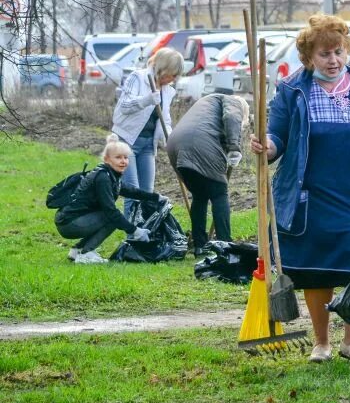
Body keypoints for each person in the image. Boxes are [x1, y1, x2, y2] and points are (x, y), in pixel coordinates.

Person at [250, 14, 350, 364]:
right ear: (308, 58)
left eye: (338, 52)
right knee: (317, 271)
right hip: (312, 194)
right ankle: (321, 343)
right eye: (324, 54)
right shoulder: (293, 90)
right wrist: (267, 146)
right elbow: (277, 135)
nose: (333, 60)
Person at [56, 134, 167, 264]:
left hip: (69, 220)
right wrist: (135, 231)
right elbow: (110, 211)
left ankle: (78, 250)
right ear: (107, 159)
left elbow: (131, 191)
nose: (123, 161)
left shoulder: (110, 175)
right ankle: (86, 253)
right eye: (118, 157)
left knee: (113, 216)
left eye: (126, 157)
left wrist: (156, 197)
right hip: (69, 223)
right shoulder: (103, 178)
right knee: (113, 218)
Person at [166, 93, 249, 255]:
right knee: (219, 193)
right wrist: (234, 147)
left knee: (199, 195)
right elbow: (231, 117)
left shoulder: (208, 103)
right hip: (199, 142)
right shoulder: (233, 102)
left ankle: (199, 245)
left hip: (176, 145)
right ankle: (225, 245)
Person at [111, 48, 182, 218]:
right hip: (126, 142)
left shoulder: (167, 90)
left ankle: (145, 229)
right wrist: (147, 100)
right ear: (163, 68)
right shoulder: (138, 77)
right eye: (173, 74)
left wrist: (170, 139)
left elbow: (165, 120)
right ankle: (132, 232)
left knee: (147, 193)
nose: (174, 79)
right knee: (133, 192)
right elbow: (124, 106)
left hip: (148, 145)